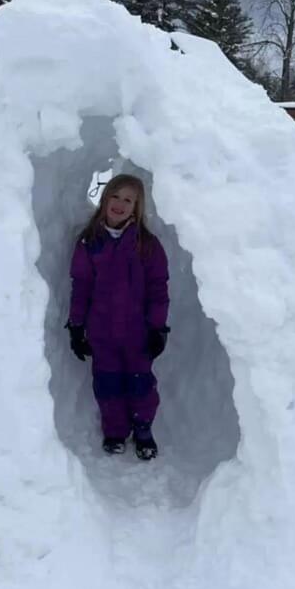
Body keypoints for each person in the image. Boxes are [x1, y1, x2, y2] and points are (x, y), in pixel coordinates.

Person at [66, 174, 169, 460]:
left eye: (129, 200)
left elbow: (158, 288)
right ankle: (115, 431)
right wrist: (76, 326)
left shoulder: (146, 245)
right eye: (116, 196)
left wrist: (158, 328)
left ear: (136, 208)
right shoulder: (90, 242)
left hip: (138, 333)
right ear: (105, 198)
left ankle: (143, 429)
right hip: (102, 333)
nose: (120, 204)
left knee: (140, 384)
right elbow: (81, 285)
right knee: (107, 384)